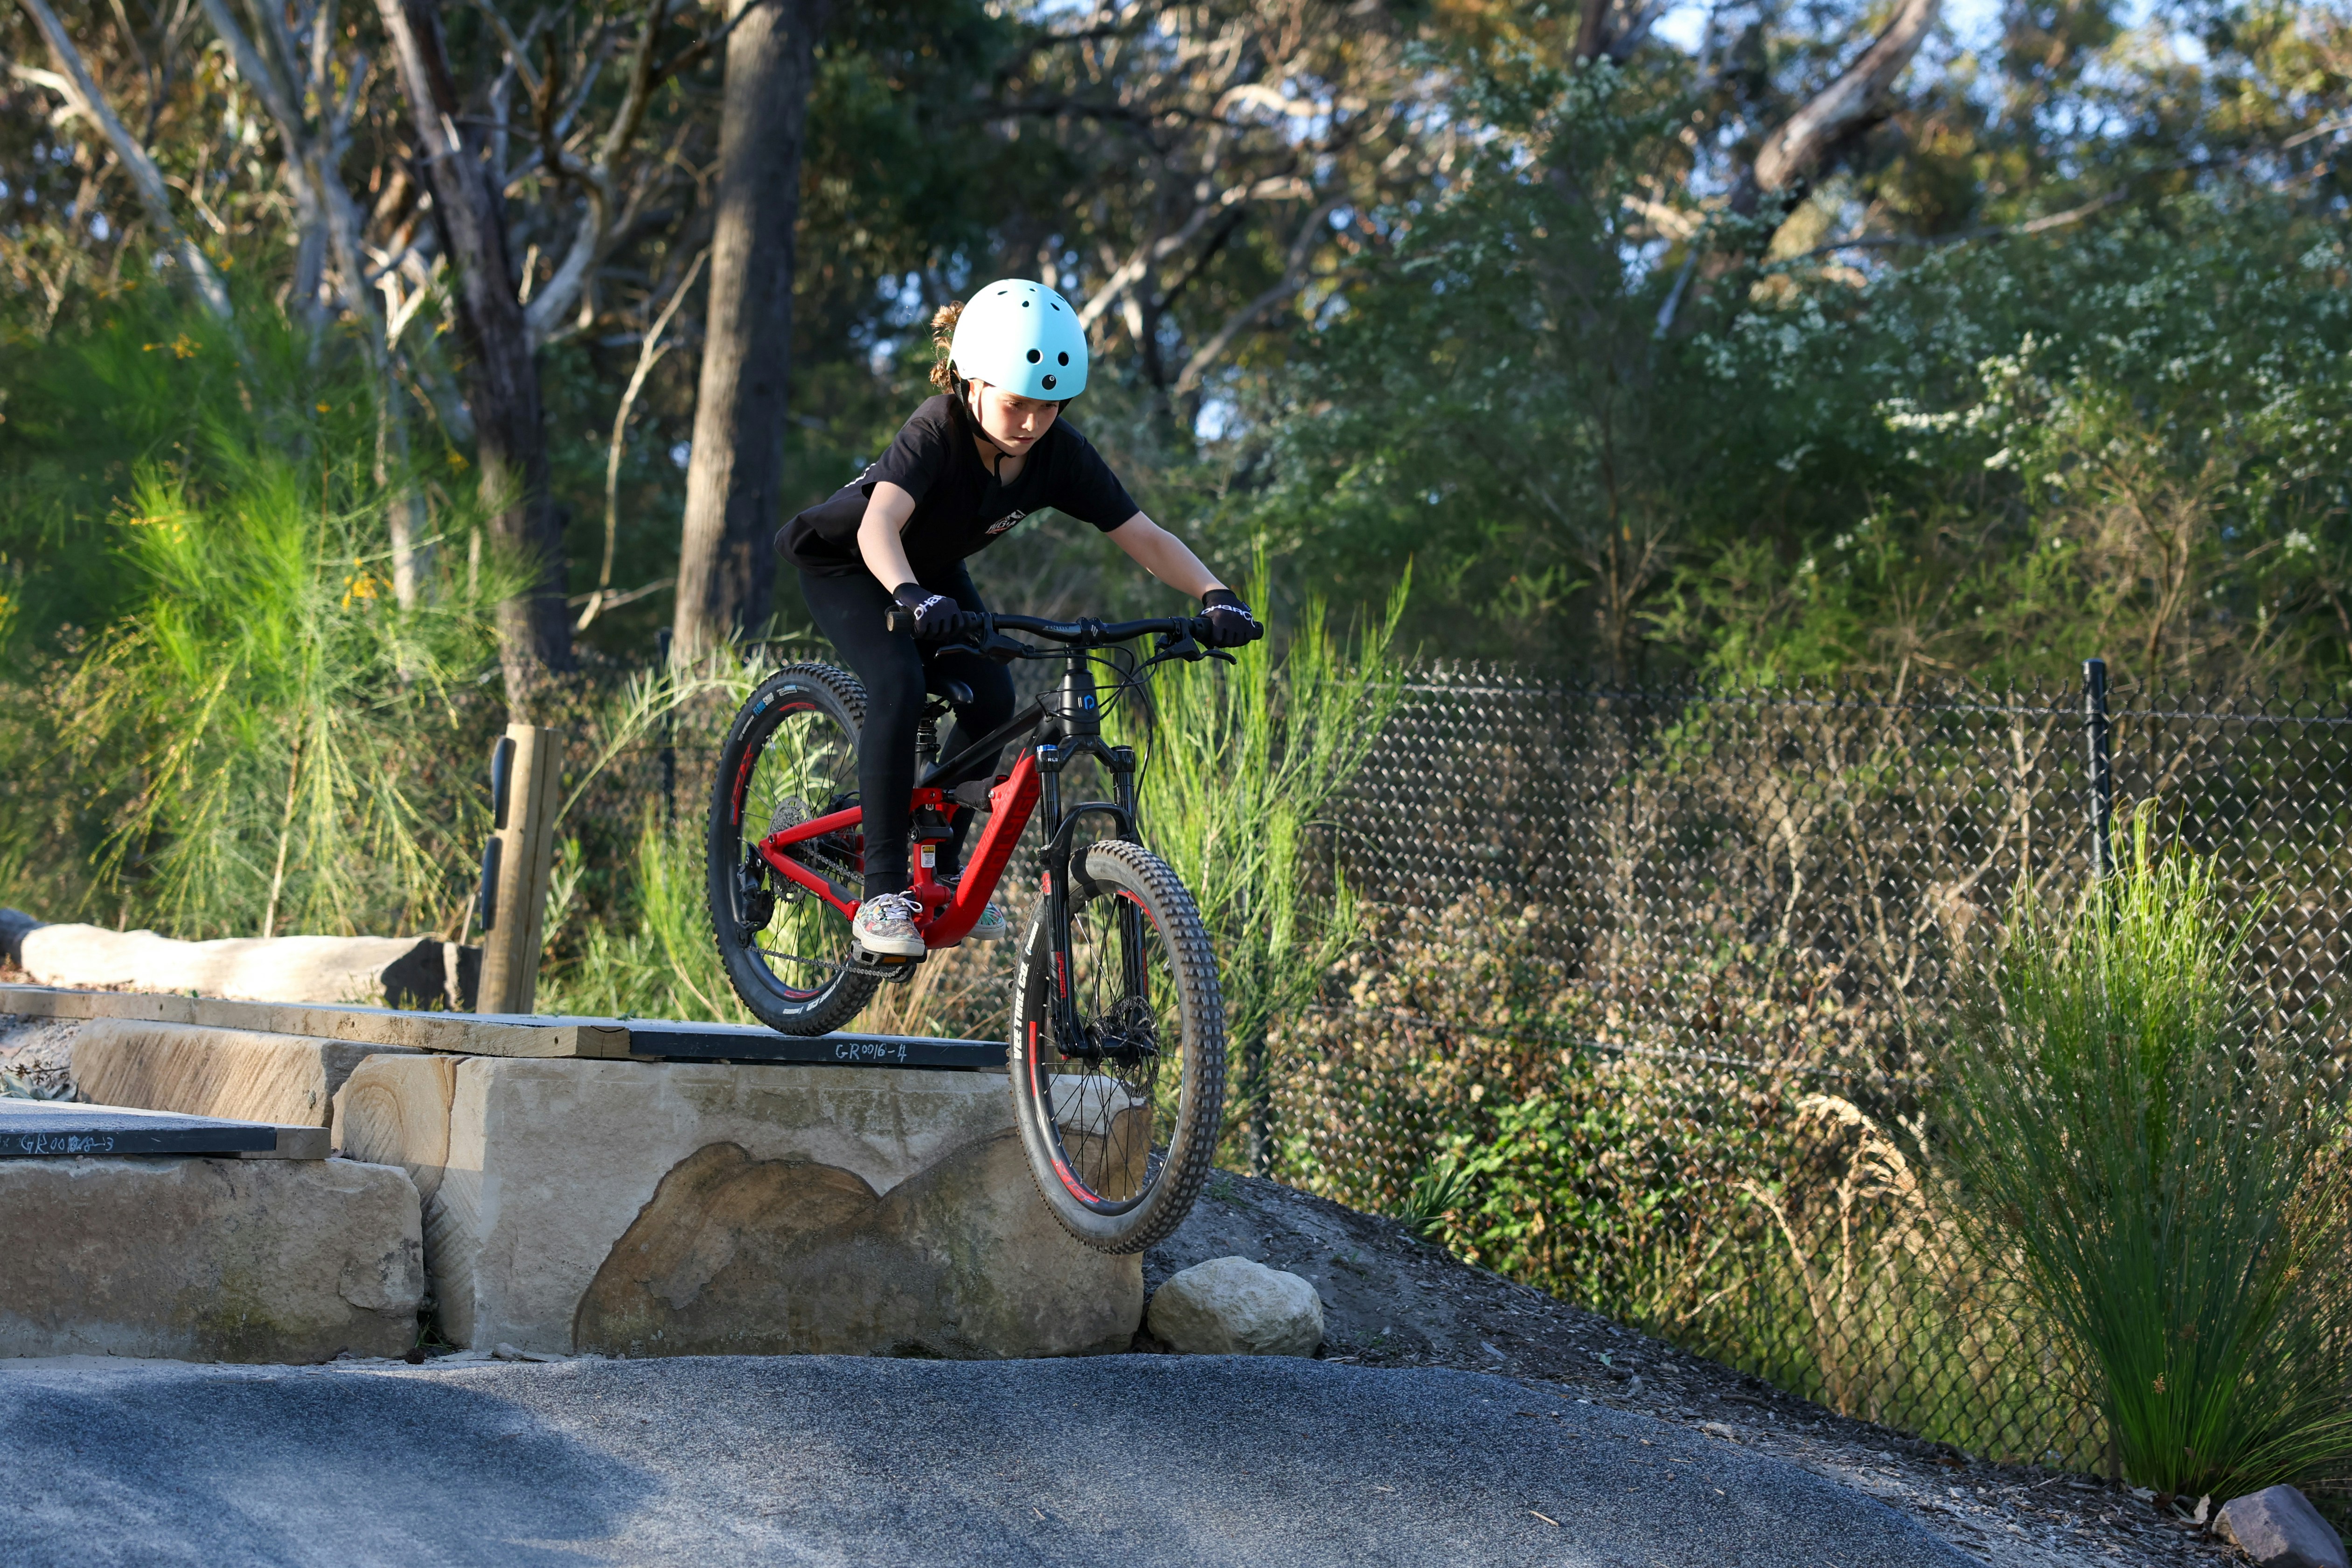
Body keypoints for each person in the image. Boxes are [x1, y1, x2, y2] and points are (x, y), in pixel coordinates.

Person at [776, 278, 1264, 959]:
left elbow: (1143, 534)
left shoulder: (1057, 453)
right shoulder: (933, 430)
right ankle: (884, 892)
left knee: (994, 697)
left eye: (1051, 406)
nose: (1033, 422)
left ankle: (936, 876)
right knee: (898, 684)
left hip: (933, 572)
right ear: (969, 384)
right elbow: (880, 523)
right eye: (1016, 405)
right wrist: (909, 595)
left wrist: (1214, 592)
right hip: (854, 563)